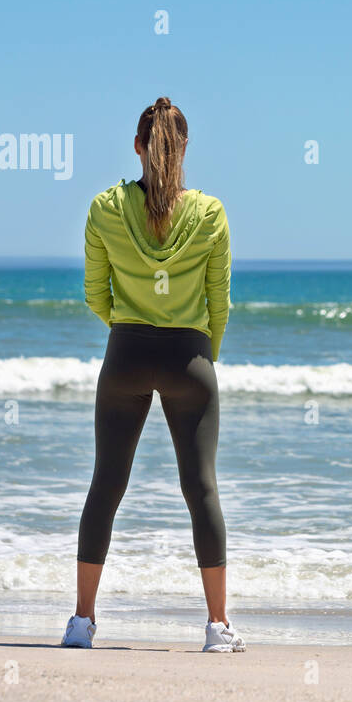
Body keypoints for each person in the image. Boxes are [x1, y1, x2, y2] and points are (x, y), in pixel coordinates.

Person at [61, 96, 240, 652]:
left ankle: (81, 624)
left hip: (126, 354)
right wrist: (200, 355)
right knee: (201, 489)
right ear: (182, 146)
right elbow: (220, 304)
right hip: (190, 357)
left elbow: (96, 294)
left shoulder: (105, 208)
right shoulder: (210, 214)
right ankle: (216, 628)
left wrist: (130, 333)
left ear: (138, 146)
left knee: (106, 485)